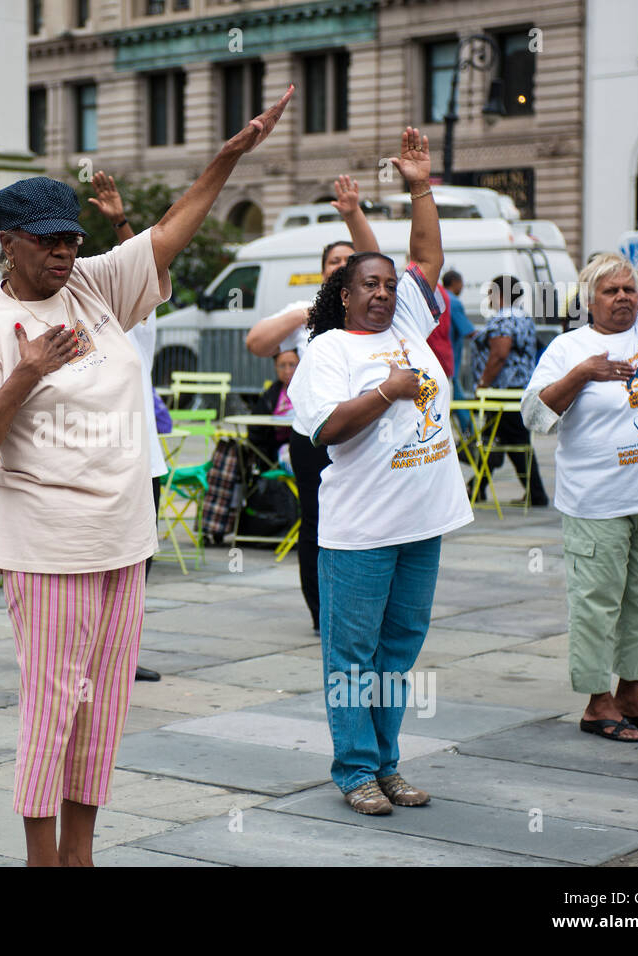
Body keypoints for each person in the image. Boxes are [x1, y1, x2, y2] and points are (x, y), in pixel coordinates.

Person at [0, 86, 294, 866]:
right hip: (49, 546)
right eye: (45, 241)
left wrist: (230, 156)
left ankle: (82, 853)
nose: (63, 251)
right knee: (54, 708)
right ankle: (44, 860)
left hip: (123, 538)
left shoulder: (94, 287)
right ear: (8, 242)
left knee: (102, 711)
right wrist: (25, 375)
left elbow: (171, 231)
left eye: (70, 236)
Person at [292, 127, 472, 816]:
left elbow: (426, 253)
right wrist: (386, 393)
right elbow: (327, 429)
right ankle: (354, 770)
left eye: (389, 285)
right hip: (358, 531)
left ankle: (387, 762)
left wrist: (420, 185)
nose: (383, 293)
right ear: (343, 293)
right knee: (352, 658)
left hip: (420, 522)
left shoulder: (406, 324)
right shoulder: (328, 351)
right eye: (369, 284)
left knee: (397, 654)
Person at [521, 134, 638, 743]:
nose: (624, 297)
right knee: (597, 602)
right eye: (611, 290)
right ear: (588, 299)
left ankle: (631, 694)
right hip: (596, 503)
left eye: (630, 289)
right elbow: (534, 415)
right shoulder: (567, 348)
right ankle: (598, 704)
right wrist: (581, 375)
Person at [245, 175, 376, 634]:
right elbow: (257, 343)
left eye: (348, 260)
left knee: (363, 519)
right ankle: (322, 614)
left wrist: (352, 213)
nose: (341, 266)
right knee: (316, 521)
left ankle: (360, 606)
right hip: (312, 435)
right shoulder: (307, 309)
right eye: (333, 262)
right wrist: (307, 313)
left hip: (365, 435)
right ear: (323, 271)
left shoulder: (376, 309)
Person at [88, 170, 163, 683]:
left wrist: (120, 222)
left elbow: (143, 264)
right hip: (96, 467)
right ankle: (90, 655)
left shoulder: (138, 326)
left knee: (137, 568)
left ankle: (122, 654)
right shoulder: (79, 330)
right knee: (95, 567)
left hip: (144, 465)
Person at [472, 274, 549, 507]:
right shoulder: (524, 317)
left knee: (507, 442)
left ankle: (536, 494)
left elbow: (499, 354)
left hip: (502, 390)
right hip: (520, 388)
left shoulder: (503, 319)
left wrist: (483, 382)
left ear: (499, 294)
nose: (489, 300)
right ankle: (477, 488)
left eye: (490, 294)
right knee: (498, 440)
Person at [247, 349, 298, 468]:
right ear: (275, 367)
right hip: (275, 447)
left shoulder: (309, 391)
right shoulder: (270, 395)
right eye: (282, 366)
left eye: (292, 365)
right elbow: (255, 424)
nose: (287, 370)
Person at [443, 269, 475, 433]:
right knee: (458, 398)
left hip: (441, 359)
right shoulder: (453, 302)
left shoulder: (439, 297)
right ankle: (469, 434)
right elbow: (468, 330)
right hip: (450, 361)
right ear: (455, 282)